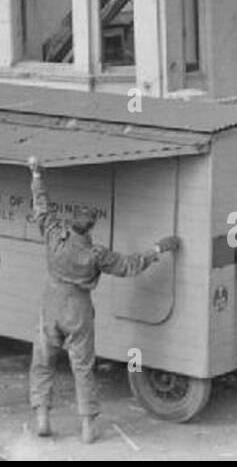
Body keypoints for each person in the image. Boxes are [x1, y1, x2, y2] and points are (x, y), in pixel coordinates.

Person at [26, 156, 181, 443]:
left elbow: (41, 208)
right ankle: (86, 426)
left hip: (51, 301)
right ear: (90, 228)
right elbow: (130, 265)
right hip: (79, 307)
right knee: (82, 367)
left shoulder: (54, 235)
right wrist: (160, 247)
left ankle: (42, 417)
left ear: (71, 224)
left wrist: (37, 174)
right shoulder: (96, 254)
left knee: (43, 361)